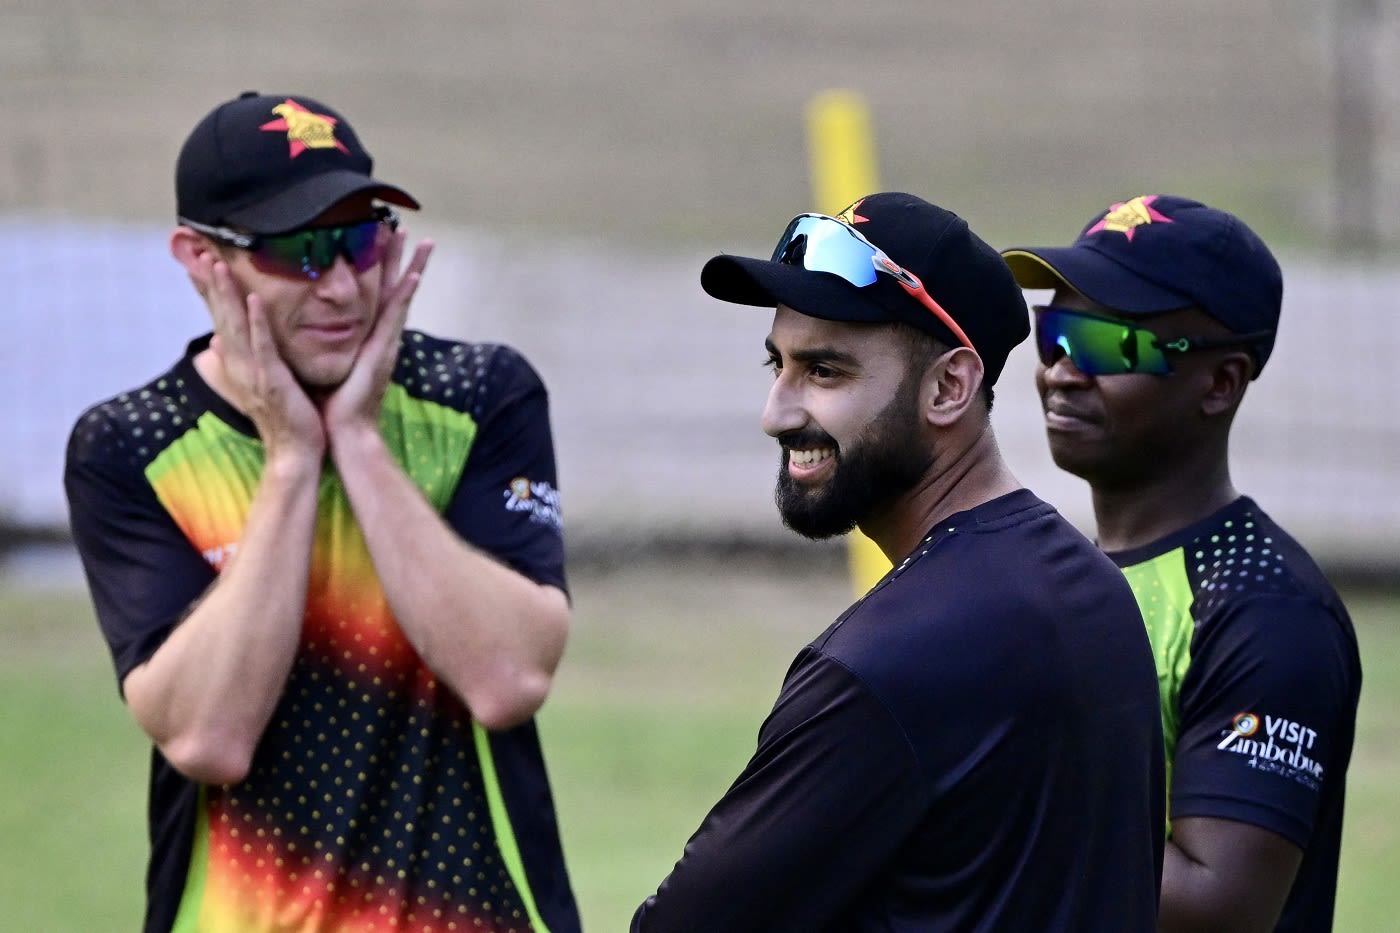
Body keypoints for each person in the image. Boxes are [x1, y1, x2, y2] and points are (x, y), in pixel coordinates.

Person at [63, 91, 580, 933]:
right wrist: (294, 461)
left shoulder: (481, 394)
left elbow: (508, 678)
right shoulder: (129, 447)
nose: (343, 285)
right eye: (300, 250)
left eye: (361, 239)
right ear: (200, 258)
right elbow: (208, 736)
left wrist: (363, 448)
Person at [632, 192, 1166, 932]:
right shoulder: (1092, 588)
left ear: (949, 386)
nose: (776, 412)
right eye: (777, 364)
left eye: (824, 372)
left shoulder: (883, 664)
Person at [1002, 194, 1363, 932]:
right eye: (1055, 331)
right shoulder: (1067, 570)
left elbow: (1219, 906)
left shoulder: (1264, 608)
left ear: (1221, 382)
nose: (1062, 372)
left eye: (1113, 346)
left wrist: (981, 799)